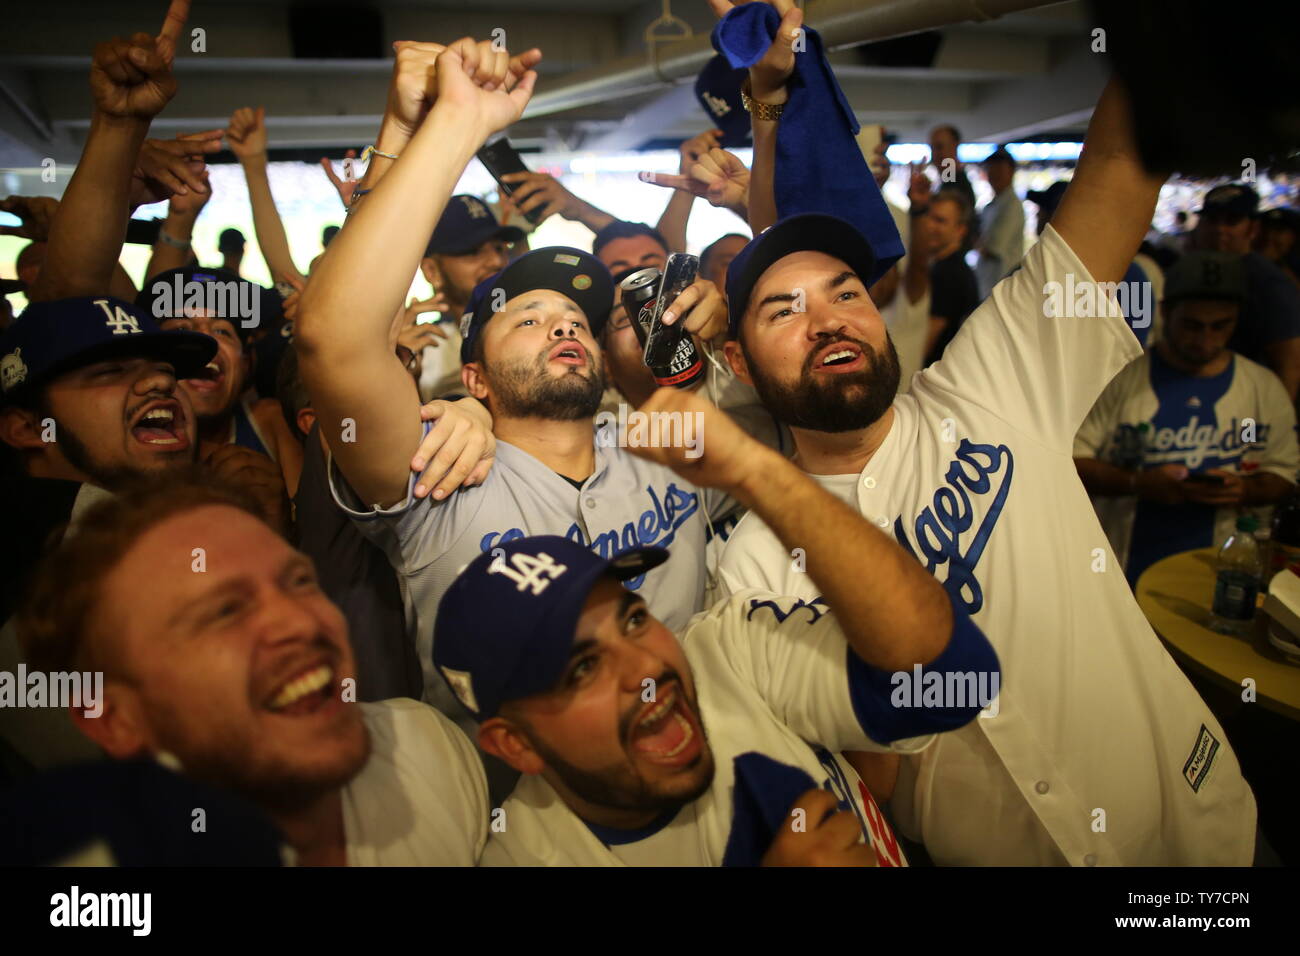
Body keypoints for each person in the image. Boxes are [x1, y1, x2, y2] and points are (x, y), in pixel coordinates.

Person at [717, 74, 1258, 865]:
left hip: (1190, 833)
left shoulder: (991, 384)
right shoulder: (756, 564)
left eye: (846, 293)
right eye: (783, 310)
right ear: (736, 359)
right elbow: (860, 762)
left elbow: (1114, 168)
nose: (829, 319)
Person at [295, 37, 731, 724]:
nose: (563, 326)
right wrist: (439, 129)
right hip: (520, 812)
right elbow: (334, 337)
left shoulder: (669, 441)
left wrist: (718, 325)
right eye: (529, 320)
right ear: (476, 377)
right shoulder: (438, 475)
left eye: (575, 320)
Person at [436, 389, 998, 866]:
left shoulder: (729, 649)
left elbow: (953, 680)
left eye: (632, 620)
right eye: (582, 667)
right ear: (515, 744)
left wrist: (753, 472)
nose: (647, 668)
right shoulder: (527, 856)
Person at [16, 478, 488, 866]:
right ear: (114, 718)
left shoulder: (426, 747)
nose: (302, 622)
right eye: (223, 612)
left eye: (300, 582)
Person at [1074, 251, 1298, 584]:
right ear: (1165, 313)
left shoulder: (1258, 390)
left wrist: (1243, 489)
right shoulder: (1120, 379)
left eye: (1220, 326)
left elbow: (1279, 470)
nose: (1205, 340)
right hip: (1117, 564)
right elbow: (1074, 460)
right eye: (1192, 326)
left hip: (1216, 572)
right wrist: (1138, 483)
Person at [276, 345, 423, 702]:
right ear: (314, 422)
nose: (397, 383)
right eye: (378, 368)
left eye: (400, 368)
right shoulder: (333, 438)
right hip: (375, 714)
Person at [138, 265, 303, 499]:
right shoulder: (130, 441)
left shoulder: (271, 422)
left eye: (222, 331)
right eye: (182, 327)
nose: (205, 338)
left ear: (246, 363)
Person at [1189, 182, 1300, 402]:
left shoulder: (1266, 281)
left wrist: (1275, 425)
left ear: (1252, 229)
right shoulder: (1193, 270)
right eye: (1212, 220)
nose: (1220, 229)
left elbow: (1289, 362)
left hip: (1247, 406)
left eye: (1232, 221)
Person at [920, 188, 980, 365]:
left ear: (960, 230)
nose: (930, 225)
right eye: (928, 217)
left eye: (940, 220)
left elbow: (926, 342)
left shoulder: (949, 274)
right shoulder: (945, 267)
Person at [974, 147, 1025, 298]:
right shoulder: (991, 206)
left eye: (999, 171)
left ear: (1011, 173)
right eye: (991, 171)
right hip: (987, 285)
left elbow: (993, 248)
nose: (994, 176)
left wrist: (974, 241)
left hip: (1001, 285)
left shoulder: (1012, 205)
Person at [927, 124, 978, 223]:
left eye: (939, 147)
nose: (935, 154)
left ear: (954, 147)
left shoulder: (956, 185)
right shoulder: (949, 179)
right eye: (932, 148)